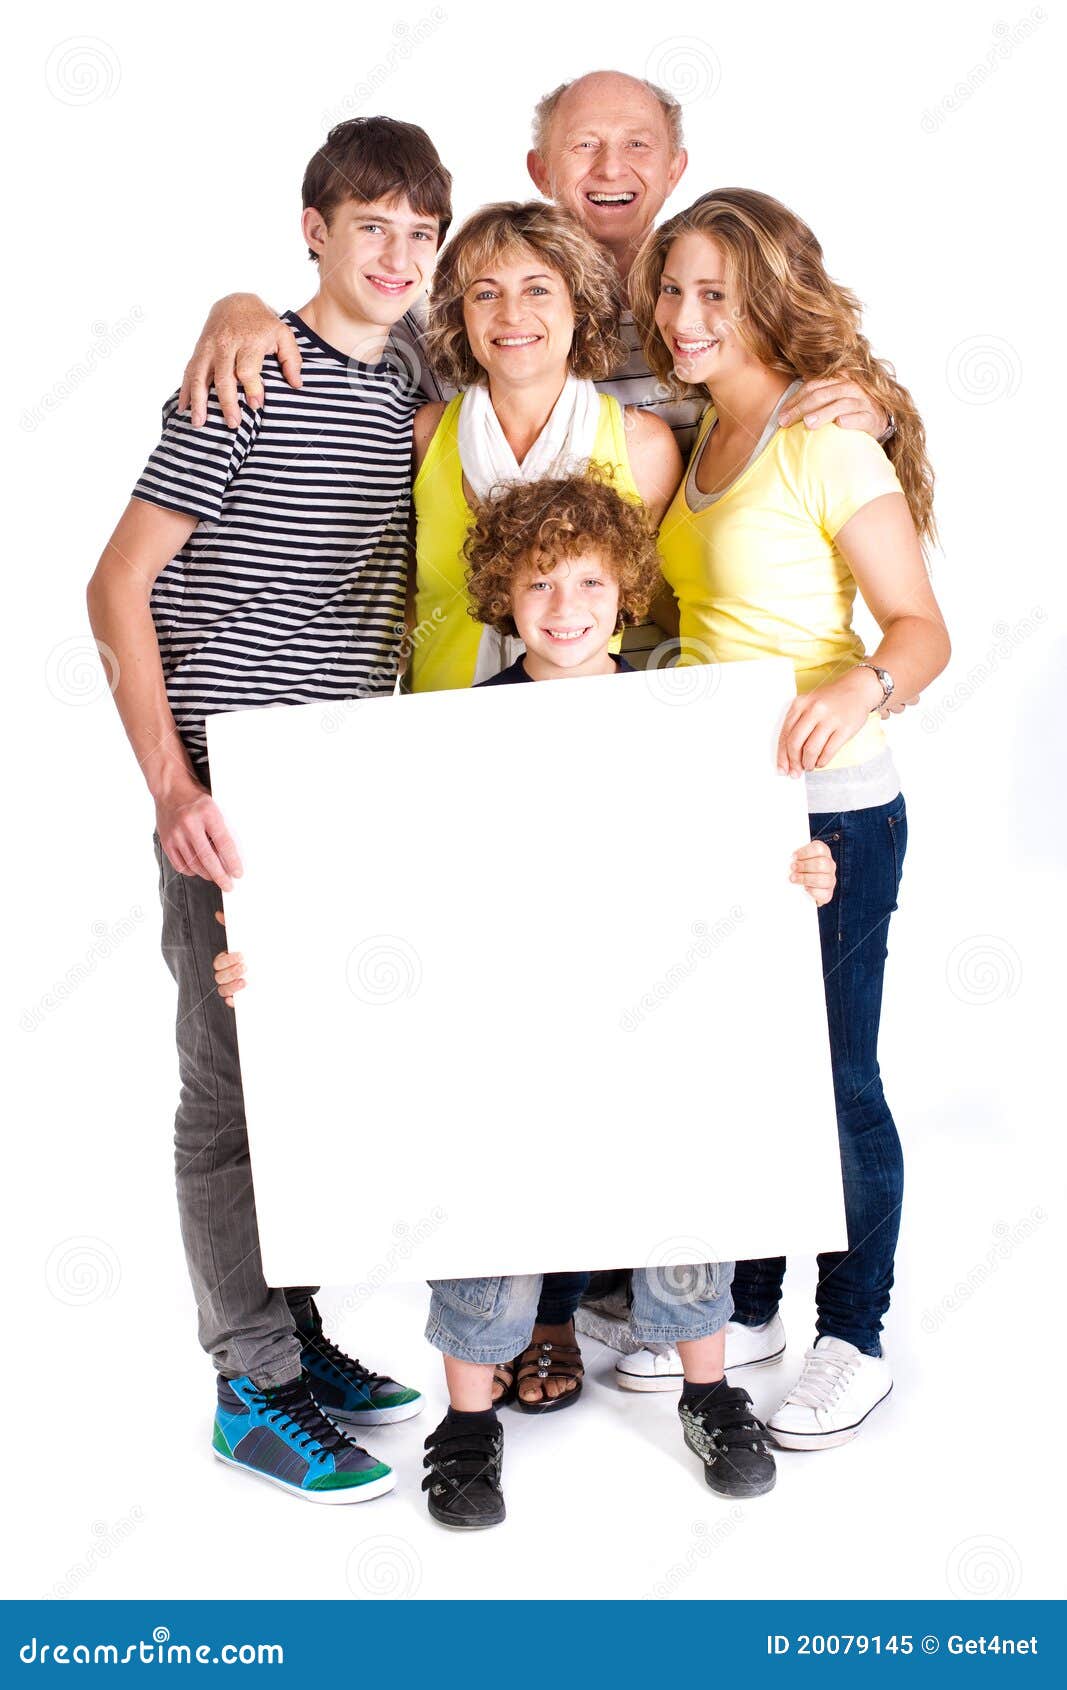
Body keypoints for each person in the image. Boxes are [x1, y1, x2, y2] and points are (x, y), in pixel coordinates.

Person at [212, 473, 838, 1526]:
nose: (564, 605)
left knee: (685, 1182)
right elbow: (379, 887)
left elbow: (728, 856)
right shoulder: (446, 734)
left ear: (627, 590)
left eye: (590, 580)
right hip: (500, 1024)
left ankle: (708, 1389)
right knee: (483, 1207)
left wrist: (796, 874)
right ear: (503, 594)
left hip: (650, 1008)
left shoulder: (689, 717)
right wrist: (274, 964)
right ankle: (466, 1427)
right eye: (539, 583)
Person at [86, 117, 454, 1504]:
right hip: (231, 792)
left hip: (350, 788)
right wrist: (172, 787)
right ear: (312, 226)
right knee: (227, 1092)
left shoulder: (414, 372)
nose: (398, 257)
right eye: (371, 227)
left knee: (316, 1078)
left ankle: (296, 1332)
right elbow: (112, 590)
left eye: (419, 234)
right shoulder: (243, 378)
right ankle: (248, 1379)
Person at [628, 187, 951, 1441]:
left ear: (767, 299)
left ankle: (851, 1330)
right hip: (720, 807)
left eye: (715, 292)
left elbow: (920, 630)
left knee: (832, 1073)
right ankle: (750, 1301)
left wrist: (859, 684)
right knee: (737, 1064)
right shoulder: (693, 438)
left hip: (833, 806)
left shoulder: (828, 441)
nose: (685, 314)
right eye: (671, 289)